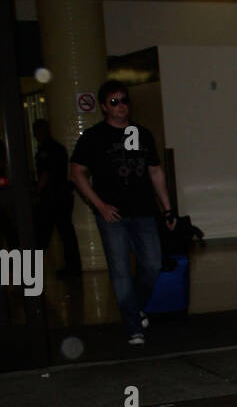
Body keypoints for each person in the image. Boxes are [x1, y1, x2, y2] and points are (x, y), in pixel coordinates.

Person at [69, 81, 175, 345]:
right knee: (120, 270)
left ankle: (135, 307)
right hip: (112, 214)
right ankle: (133, 327)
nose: (121, 106)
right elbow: (76, 173)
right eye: (114, 102)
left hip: (144, 210)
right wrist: (100, 205)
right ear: (104, 106)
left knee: (152, 263)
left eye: (124, 100)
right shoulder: (93, 137)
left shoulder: (142, 134)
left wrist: (168, 208)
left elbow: (155, 171)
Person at [32, 118, 81, 278]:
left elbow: (45, 174)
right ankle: (73, 267)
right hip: (61, 196)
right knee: (65, 233)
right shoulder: (57, 148)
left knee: (43, 234)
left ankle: (32, 270)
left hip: (52, 197)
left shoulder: (46, 150)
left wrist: (37, 192)